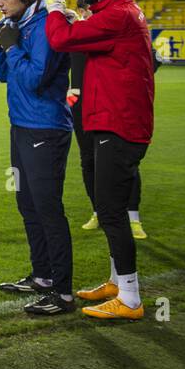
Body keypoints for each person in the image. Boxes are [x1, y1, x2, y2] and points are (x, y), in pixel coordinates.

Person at [44, 0, 155, 321]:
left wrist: (56, 8)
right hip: (115, 120)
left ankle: (130, 298)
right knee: (111, 208)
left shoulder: (118, 16)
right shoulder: (122, 12)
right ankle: (117, 282)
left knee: (109, 208)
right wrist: (78, 18)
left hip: (118, 124)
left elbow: (61, 39)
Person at [0, 0, 75, 315]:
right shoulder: (21, 25)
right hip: (21, 127)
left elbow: (35, 78)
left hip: (45, 129)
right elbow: (4, 75)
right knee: (26, 204)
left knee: (48, 210)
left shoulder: (46, 27)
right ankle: (42, 277)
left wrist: (11, 48)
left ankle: (64, 293)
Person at [70, 49, 146, 239]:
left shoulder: (112, 29)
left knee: (123, 160)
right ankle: (98, 213)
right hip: (81, 106)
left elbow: (147, 59)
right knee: (88, 160)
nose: (85, 15)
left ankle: (133, 218)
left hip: (111, 105)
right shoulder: (75, 34)